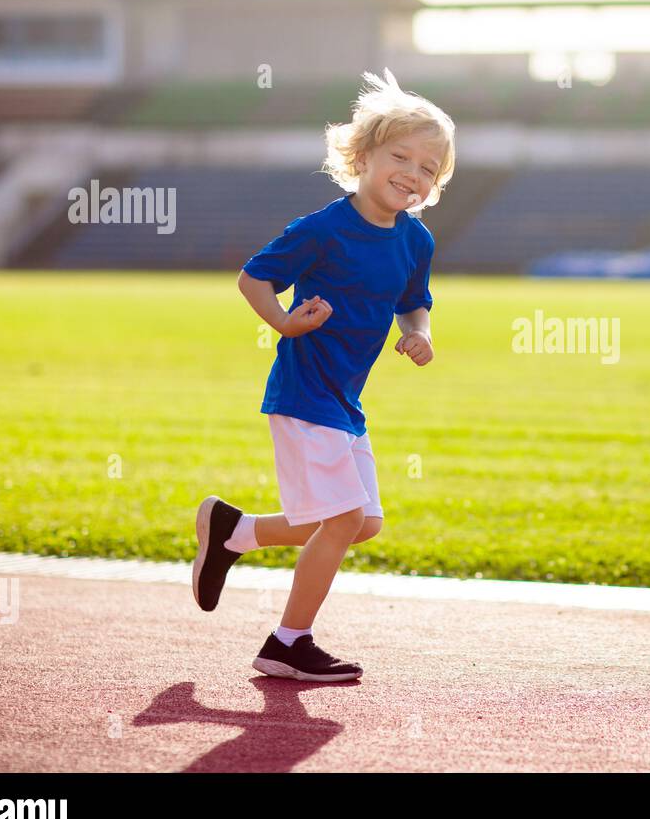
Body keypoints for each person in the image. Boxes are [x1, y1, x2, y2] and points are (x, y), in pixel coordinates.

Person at [191, 68, 455, 681]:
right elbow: (253, 277)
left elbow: (414, 301)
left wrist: (419, 334)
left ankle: (235, 532)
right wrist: (283, 323)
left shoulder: (415, 241)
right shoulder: (322, 228)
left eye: (428, 168)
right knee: (339, 519)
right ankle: (288, 642)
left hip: (344, 400)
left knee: (363, 523)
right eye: (401, 157)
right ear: (362, 155)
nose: (412, 175)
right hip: (305, 393)